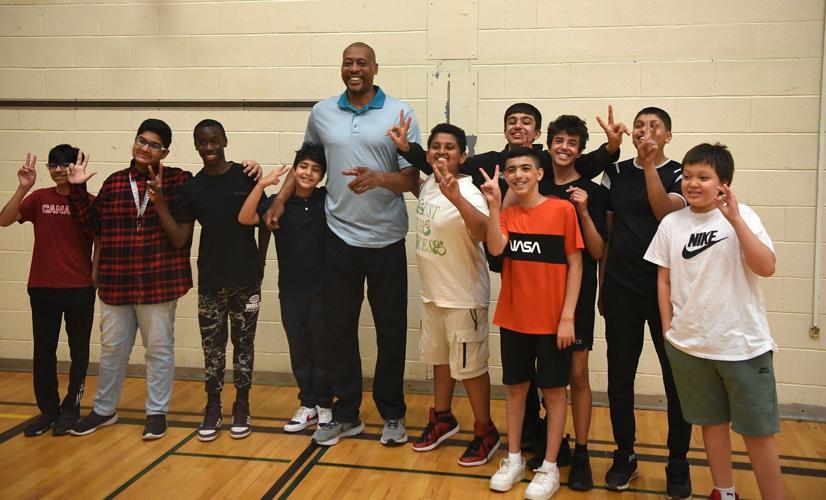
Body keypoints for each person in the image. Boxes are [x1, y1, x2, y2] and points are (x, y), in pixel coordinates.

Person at [262, 42, 421, 447]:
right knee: (338, 331)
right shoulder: (322, 113)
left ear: (375, 68)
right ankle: (346, 412)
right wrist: (280, 200)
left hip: (386, 238)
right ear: (342, 68)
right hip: (338, 238)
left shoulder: (400, 112)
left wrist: (380, 178)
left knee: (390, 330)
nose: (355, 69)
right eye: (348, 63)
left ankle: (392, 413)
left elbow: (412, 180)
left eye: (362, 63)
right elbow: (306, 164)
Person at [644, 143, 784, 500]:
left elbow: (766, 267)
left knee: (757, 431)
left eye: (703, 177)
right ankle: (724, 491)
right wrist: (667, 329)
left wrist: (735, 219)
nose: (693, 183)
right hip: (689, 346)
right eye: (687, 176)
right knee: (710, 424)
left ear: (723, 183)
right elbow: (663, 278)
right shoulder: (672, 223)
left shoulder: (744, 217)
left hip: (743, 346)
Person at [65, 119, 191, 440]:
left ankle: (156, 413)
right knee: (111, 350)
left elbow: (185, 228)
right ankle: (105, 410)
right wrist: (77, 188)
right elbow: (90, 225)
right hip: (116, 281)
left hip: (158, 282)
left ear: (165, 151)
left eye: (153, 145)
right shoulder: (115, 183)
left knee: (159, 350)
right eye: (141, 141)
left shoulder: (178, 181)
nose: (145, 148)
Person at [389, 122, 500, 466]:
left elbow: (484, 233)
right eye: (435, 146)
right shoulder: (428, 188)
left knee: (470, 368)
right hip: (433, 296)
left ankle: (486, 430)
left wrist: (455, 197)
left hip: (463, 297)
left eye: (450, 147)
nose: (441, 152)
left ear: (463, 155)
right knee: (439, 360)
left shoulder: (468, 190)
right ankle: (443, 417)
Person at [148, 119, 265, 441]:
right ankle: (213, 406)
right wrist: (158, 203)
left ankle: (242, 405)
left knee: (244, 346)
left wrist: (261, 260)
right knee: (212, 349)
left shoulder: (247, 175)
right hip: (211, 281)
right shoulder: (193, 188)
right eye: (202, 142)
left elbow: (266, 220)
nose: (209, 148)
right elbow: (179, 238)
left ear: (225, 140)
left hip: (246, 280)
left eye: (214, 141)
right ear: (196, 145)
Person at [600, 107, 693, 497]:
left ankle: (678, 462)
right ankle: (625, 455)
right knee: (620, 378)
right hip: (621, 288)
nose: (645, 131)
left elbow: (663, 211)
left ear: (668, 136)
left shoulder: (679, 173)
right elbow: (608, 233)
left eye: (654, 126)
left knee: (677, 382)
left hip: (665, 292)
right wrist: (603, 286)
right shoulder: (615, 173)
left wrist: (650, 163)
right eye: (639, 125)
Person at [482, 147, 583, 499]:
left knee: (554, 392)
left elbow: (576, 264)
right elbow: (496, 249)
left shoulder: (563, 210)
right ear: (506, 177)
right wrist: (494, 206)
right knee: (515, 390)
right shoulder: (507, 214)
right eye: (512, 170)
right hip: (514, 320)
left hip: (554, 323)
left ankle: (550, 466)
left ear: (540, 174)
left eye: (526, 168)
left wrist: (568, 315)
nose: (519, 174)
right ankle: (513, 460)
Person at [523, 115, 608, 491]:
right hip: (537, 297)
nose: (564, 147)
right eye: (559, 140)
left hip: (577, 295)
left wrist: (585, 211)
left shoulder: (591, 190)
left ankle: (584, 452)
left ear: (580, 149)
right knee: (545, 376)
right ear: (550, 144)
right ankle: (556, 446)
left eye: (572, 142)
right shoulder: (534, 186)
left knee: (576, 374)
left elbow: (598, 250)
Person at [0, 146, 97, 437]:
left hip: (79, 288)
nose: (57, 170)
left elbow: (101, 241)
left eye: (63, 164)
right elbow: (4, 219)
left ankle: (71, 410)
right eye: (52, 165)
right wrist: (22, 187)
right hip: (42, 288)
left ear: (75, 166)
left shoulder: (91, 202)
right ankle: (48, 411)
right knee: (44, 351)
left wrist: (94, 276)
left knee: (79, 351)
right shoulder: (39, 198)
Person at [238, 143, 333, 435]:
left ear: (321, 177)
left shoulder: (324, 199)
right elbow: (244, 217)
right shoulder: (278, 205)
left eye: (316, 169)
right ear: (294, 170)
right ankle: (308, 405)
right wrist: (264, 184)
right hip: (290, 290)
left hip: (323, 289)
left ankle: (326, 405)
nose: (308, 172)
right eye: (303, 166)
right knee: (300, 347)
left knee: (322, 347)